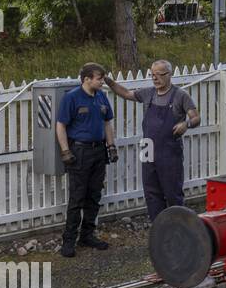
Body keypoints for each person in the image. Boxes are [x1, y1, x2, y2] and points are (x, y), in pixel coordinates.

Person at [105, 59, 200, 223]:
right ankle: (158, 226)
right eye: (152, 75)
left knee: (172, 191)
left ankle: (178, 226)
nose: (155, 78)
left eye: (159, 75)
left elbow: (196, 117)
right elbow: (126, 94)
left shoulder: (180, 95)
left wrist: (187, 124)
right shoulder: (148, 93)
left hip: (170, 150)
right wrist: (109, 81)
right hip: (147, 147)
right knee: (151, 191)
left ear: (169, 75)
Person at [54, 62, 118, 258]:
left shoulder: (101, 97)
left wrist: (111, 146)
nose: (102, 81)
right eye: (99, 78)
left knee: (94, 196)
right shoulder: (71, 98)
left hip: (99, 151)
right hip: (80, 152)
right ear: (86, 79)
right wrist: (65, 151)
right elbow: (61, 126)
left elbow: (107, 122)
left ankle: (87, 235)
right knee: (77, 198)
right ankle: (69, 241)